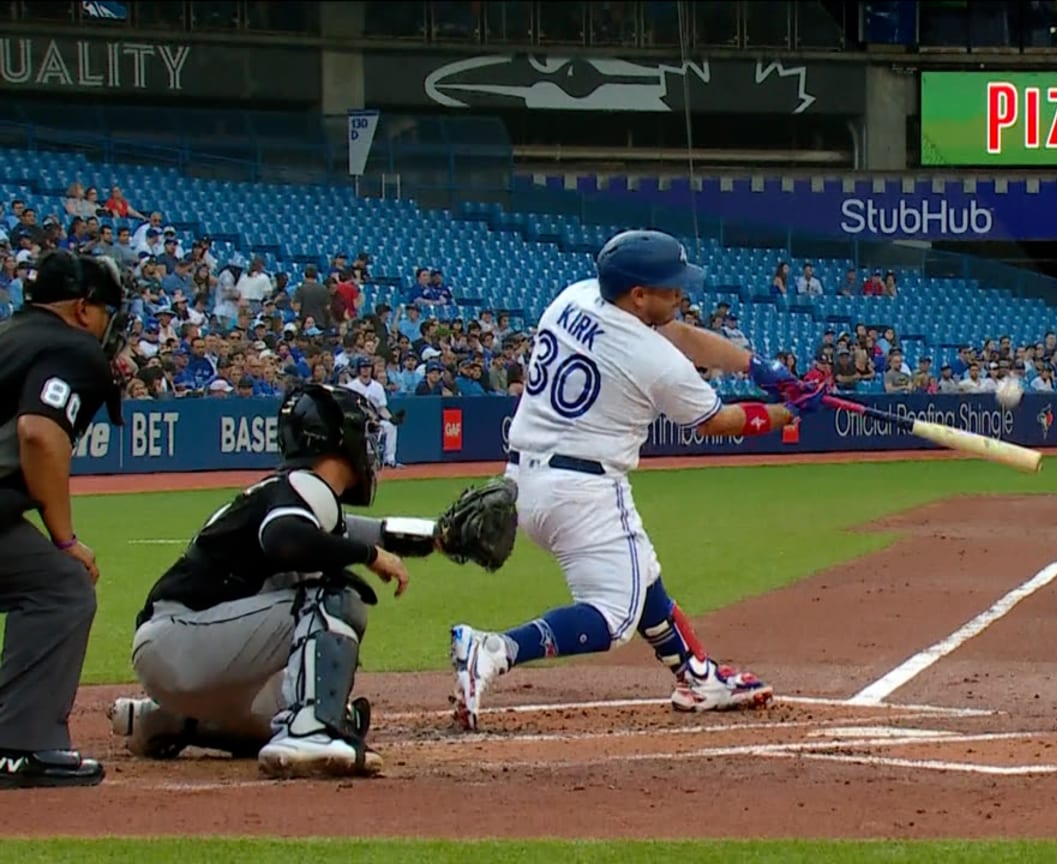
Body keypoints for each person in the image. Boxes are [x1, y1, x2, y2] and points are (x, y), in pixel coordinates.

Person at [447, 229, 828, 730]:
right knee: (612, 616)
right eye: (670, 289)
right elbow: (717, 421)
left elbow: (682, 334)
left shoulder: (576, 296)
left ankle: (697, 676)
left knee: (642, 575)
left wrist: (761, 368)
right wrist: (789, 410)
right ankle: (495, 650)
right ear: (639, 295)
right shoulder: (654, 362)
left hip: (523, 479)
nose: (681, 296)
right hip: (582, 491)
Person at [106, 384, 448, 779]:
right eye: (366, 434)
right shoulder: (304, 487)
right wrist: (368, 557)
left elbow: (368, 532)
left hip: (189, 655)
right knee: (333, 596)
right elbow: (285, 540)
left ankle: (169, 721)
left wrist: (442, 536)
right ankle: (312, 731)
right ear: (338, 438)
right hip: (182, 639)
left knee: (273, 720)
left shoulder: (291, 495)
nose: (372, 448)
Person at [0, 250, 129, 788]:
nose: (107, 327)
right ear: (82, 309)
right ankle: (20, 744)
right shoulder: (72, 347)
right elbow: (40, 431)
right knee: (62, 588)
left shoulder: (9, 335)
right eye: (105, 313)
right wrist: (65, 538)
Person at [343, 357, 401, 467]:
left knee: (391, 426)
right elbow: (349, 408)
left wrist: (391, 418)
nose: (366, 370)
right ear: (358, 369)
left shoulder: (377, 387)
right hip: (358, 422)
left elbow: (381, 408)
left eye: (368, 367)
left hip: (375, 421)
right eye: (363, 367)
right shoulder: (351, 387)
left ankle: (390, 459)